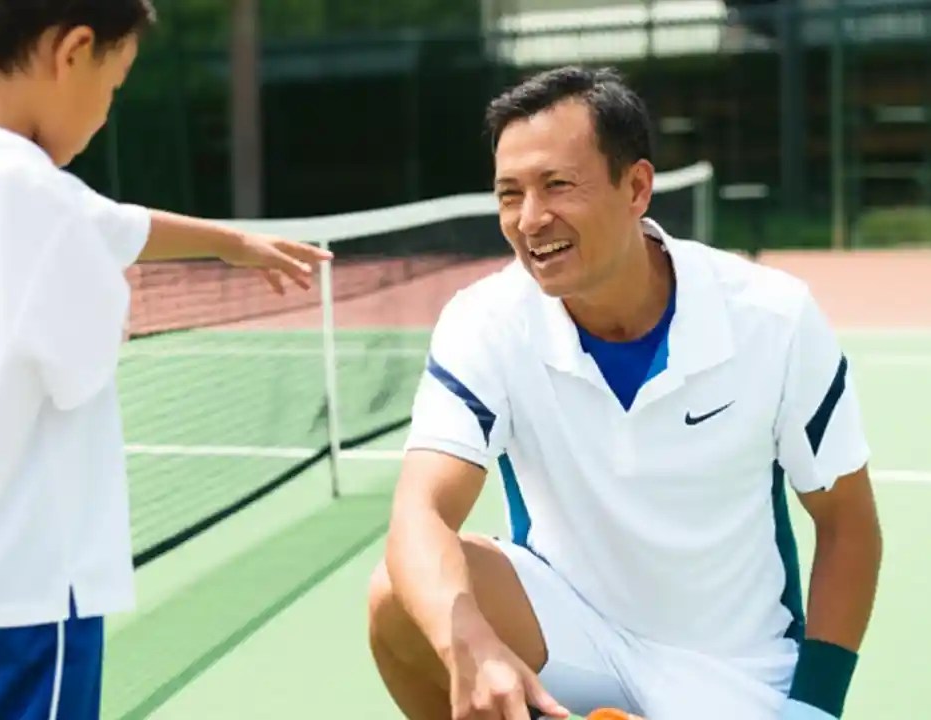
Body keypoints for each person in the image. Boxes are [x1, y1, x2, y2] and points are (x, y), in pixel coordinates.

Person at [367, 66, 882, 720]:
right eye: (508, 194)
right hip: (574, 642)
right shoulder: (485, 321)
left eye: (557, 185)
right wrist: (465, 639)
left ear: (636, 186)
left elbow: (847, 525)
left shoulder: (774, 317)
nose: (530, 219)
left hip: (739, 673)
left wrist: (814, 708)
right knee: (398, 597)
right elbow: (421, 514)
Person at [0, 1, 330, 718]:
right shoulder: (31, 195)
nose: (107, 112)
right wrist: (116, 295)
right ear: (73, 51)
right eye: (113, 87)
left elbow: (106, 222)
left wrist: (227, 242)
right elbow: (81, 364)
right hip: (40, 589)